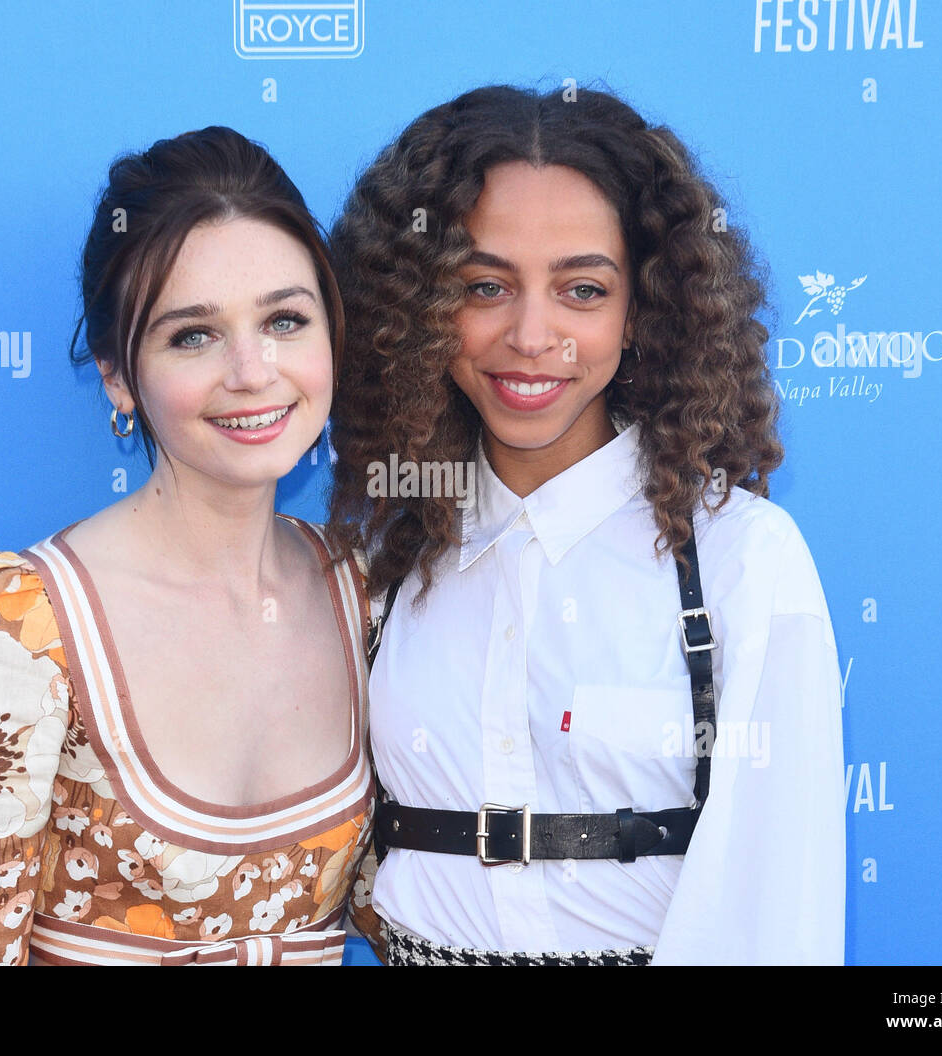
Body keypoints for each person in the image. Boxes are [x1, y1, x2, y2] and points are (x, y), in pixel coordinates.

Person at [330, 85, 845, 965]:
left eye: (582, 289)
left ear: (640, 310)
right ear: (420, 310)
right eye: (484, 286)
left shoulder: (740, 559)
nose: (534, 336)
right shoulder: (386, 559)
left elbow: (775, 914)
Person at [0, 127, 374, 966]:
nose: (253, 370)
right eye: (193, 335)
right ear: (119, 375)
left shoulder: (365, 594)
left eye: (285, 319)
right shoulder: (18, 622)